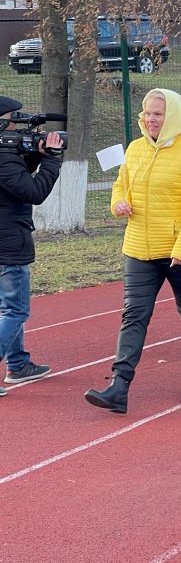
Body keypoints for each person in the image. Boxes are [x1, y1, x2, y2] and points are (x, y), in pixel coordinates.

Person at [85, 89, 181, 414]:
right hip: (139, 248)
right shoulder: (135, 148)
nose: (151, 119)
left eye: (158, 113)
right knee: (133, 315)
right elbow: (120, 185)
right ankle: (119, 385)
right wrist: (118, 203)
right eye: (147, 113)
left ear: (172, 116)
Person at [0, 96, 62, 397]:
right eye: (14, 119)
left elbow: (15, 180)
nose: (19, 124)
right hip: (8, 246)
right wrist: (52, 159)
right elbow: (33, 192)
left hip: (7, 241)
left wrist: (36, 156)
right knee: (15, 310)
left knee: (6, 309)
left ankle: (18, 364)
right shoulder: (3, 158)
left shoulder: (6, 156)